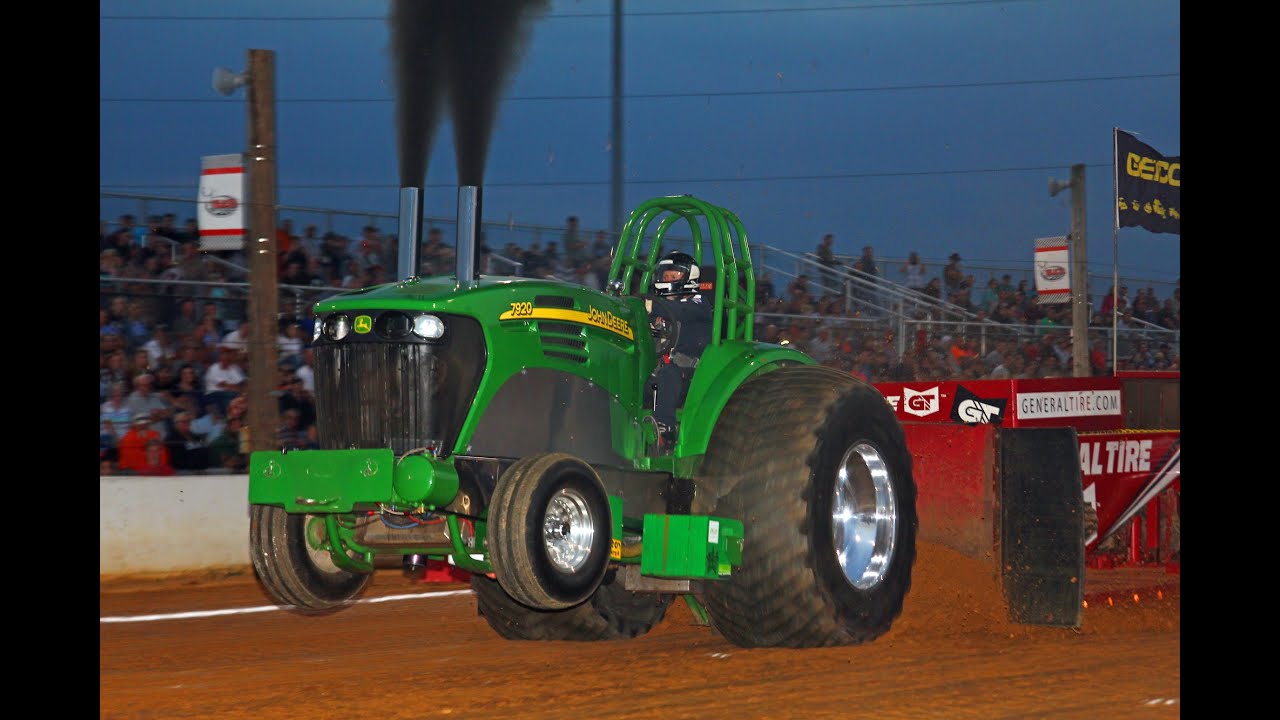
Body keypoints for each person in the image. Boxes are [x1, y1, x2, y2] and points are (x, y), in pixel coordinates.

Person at [645, 251, 714, 448]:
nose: (668, 279)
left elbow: (677, 312)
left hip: (690, 374)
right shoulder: (661, 307)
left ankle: (664, 431)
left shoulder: (699, 302)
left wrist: (649, 305)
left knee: (669, 374)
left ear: (689, 277)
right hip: (660, 372)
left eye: (673, 276)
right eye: (665, 276)